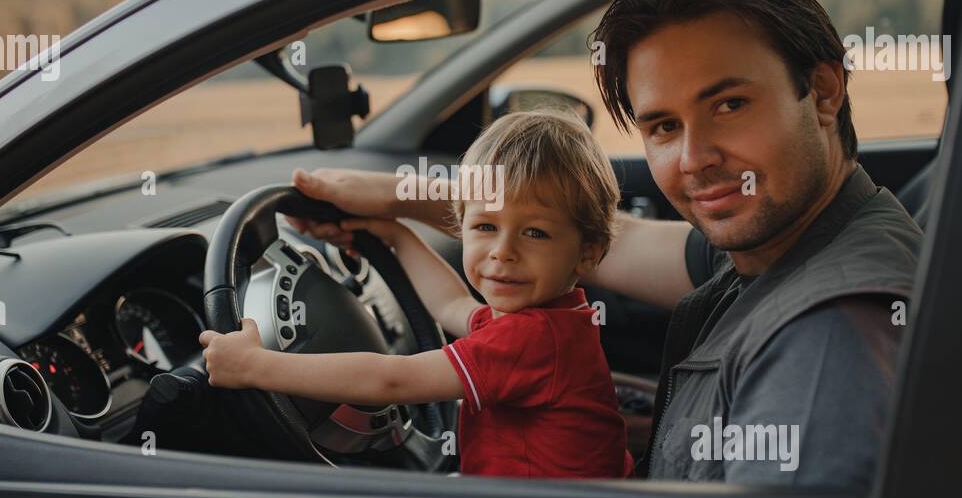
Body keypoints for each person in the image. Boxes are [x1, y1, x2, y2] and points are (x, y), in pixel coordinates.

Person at [287, 0, 923, 490]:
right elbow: (601, 235)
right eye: (663, 126)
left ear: (823, 92)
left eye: (730, 105)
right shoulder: (787, 241)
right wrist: (394, 203)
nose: (695, 159)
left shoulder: (826, 341)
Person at [199, 110, 635, 479]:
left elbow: (393, 380)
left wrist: (257, 366)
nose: (503, 251)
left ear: (587, 253)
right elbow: (453, 306)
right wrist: (393, 234)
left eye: (535, 233)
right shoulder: (556, 318)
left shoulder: (534, 339)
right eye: (485, 227)